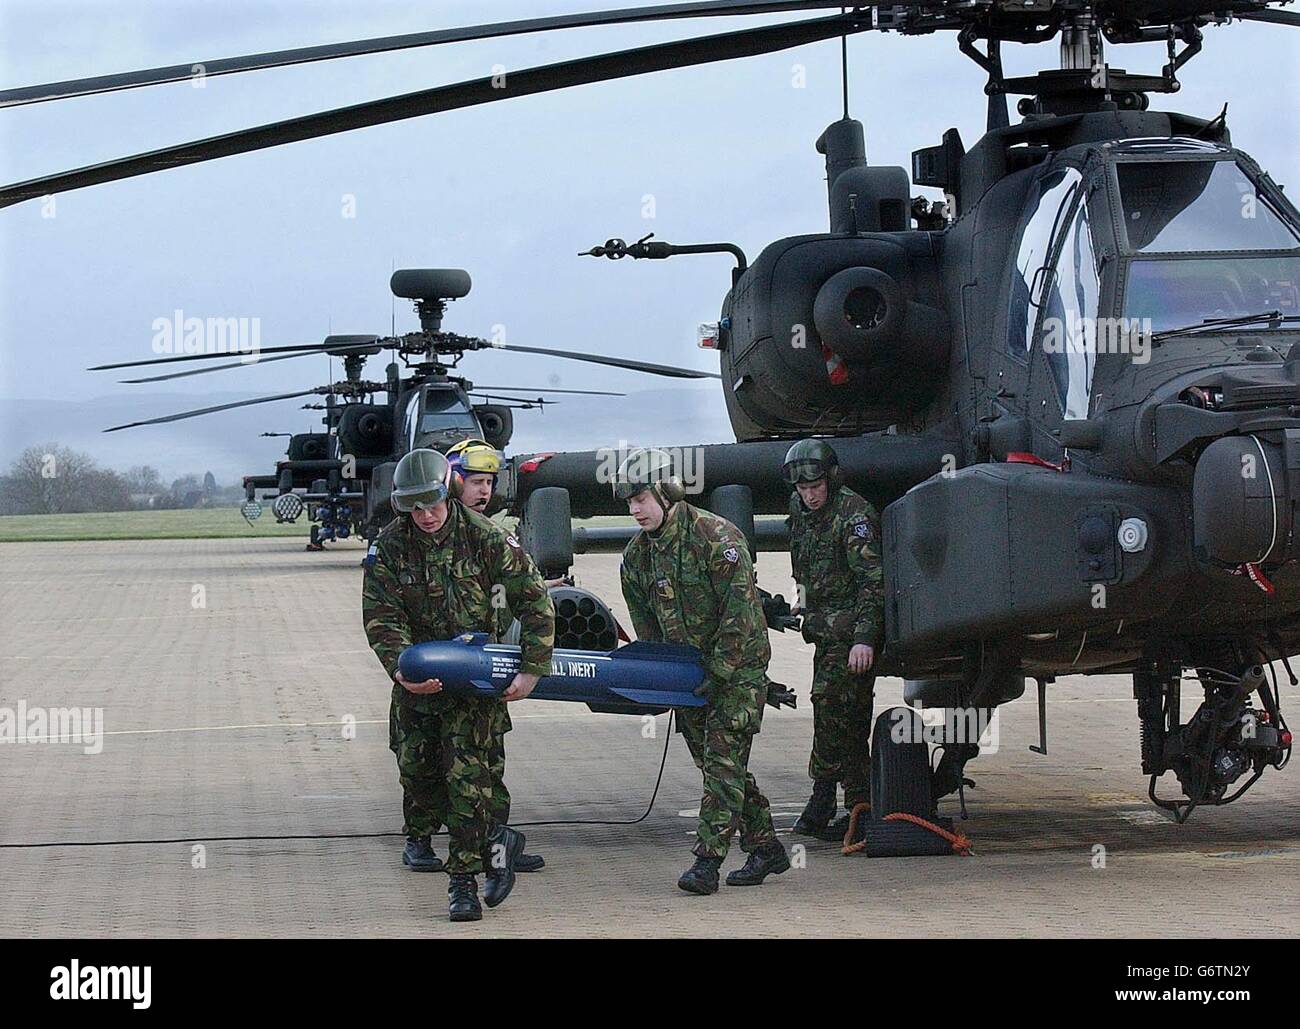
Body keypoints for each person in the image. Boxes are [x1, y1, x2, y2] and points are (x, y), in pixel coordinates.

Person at [362, 448, 555, 921]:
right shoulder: (390, 546)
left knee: (467, 784)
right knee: (419, 780)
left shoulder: (487, 538)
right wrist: (401, 670)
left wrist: (531, 669)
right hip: (418, 684)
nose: (426, 517)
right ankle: (497, 840)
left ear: (447, 494)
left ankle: (463, 885)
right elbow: (380, 618)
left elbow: (536, 604)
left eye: (433, 505)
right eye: (416, 509)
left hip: (473, 685)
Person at [616, 447, 789, 894]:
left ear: (667, 492)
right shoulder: (636, 558)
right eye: (629, 502)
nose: (635, 509)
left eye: (642, 498)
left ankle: (706, 863)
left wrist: (720, 671)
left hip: (739, 668)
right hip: (688, 676)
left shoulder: (717, 538)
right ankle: (766, 846)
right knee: (717, 767)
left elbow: (742, 616)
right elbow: (647, 626)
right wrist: (663, 677)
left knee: (722, 764)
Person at [783, 439, 884, 840]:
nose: (809, 496)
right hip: (823, 627)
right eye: (802, 490)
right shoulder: (800, 511)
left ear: (831, 479)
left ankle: (829, 797)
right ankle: (856, 805)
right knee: (844, 714)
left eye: (815, 488)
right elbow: (803, 566)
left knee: (833, 708)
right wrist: (801, 604)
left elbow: (872, 583)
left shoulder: (854, 514)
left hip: (849, 631)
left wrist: (864, 639)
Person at [446, 438, 503, 516]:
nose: (485, 491)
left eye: (489, 482)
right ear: (453, 485)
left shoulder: (498, 522)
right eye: (477, 482)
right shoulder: (431, 522)